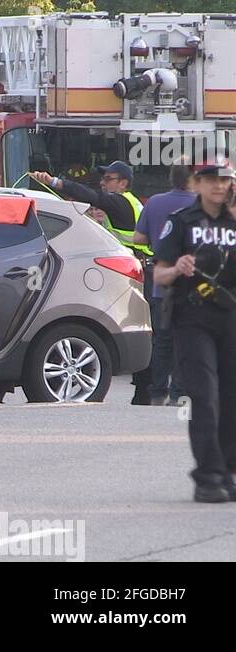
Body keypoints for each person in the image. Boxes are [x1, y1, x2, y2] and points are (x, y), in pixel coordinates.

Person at [30, 161, 155, 404]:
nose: (103, 183)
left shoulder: (121, 202)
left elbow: (91, 196)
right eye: (104, 178)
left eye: (109, 179)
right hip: (132, 270)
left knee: (138, 330)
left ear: (123, 183)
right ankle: (145, 391)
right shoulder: (126, 203)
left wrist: (53, 182)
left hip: (133, 272)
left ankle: (146, 391)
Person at [153, 163, 236, 503]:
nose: (219, 186)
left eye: (225, 180)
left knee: (231, 398)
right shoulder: (182, 221)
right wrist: (178, 268)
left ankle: (228, 472)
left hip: (230, 316)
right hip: (193, 317)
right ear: (198, 183)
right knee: (204, 396)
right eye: (212, 180)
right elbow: (159, 275)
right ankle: (207, 477)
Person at [135, 159, 195, 406]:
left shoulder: (156, 202)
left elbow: (138, 237)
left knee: (162, 340)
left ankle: (157, 391)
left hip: (162, 285)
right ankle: (178, 392)